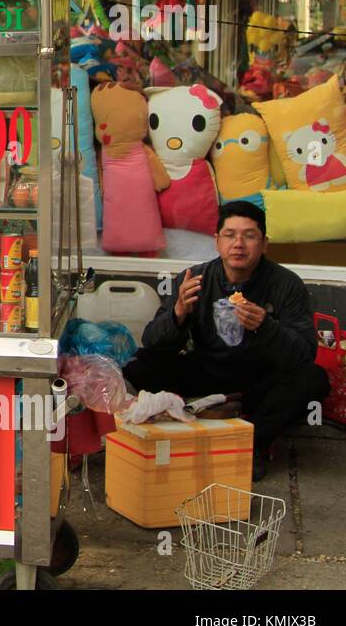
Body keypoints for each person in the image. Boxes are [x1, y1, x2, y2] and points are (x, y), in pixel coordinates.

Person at [125, 200, 328, 480]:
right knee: (139, 363)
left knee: (314, 378)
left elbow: (304, 352)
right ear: (217, 241)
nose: (239, 244)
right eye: (230, 235)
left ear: (264, 243)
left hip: (261, 379)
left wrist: (266, 326)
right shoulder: (196, 277)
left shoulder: (286, 284)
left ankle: (251, 442)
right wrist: (178, 313)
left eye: (250, 235)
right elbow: (154, 341)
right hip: (207, 369)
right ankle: (204, 410)